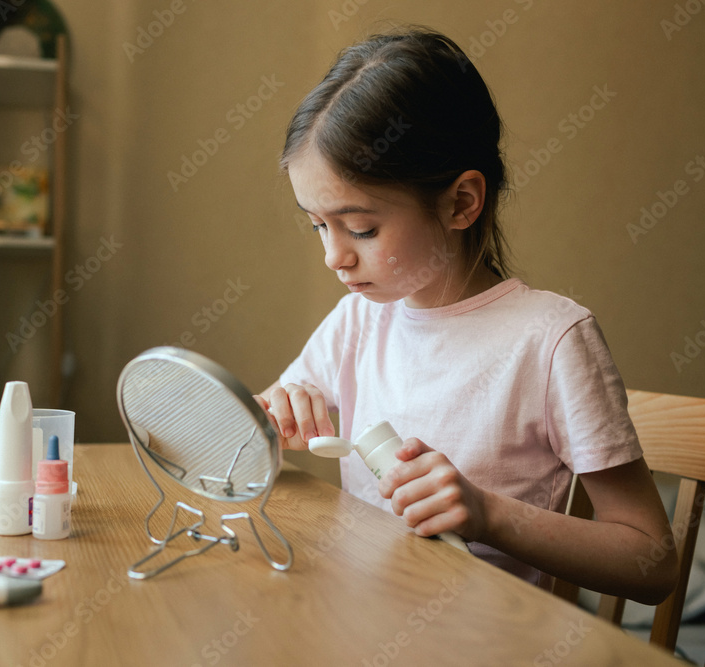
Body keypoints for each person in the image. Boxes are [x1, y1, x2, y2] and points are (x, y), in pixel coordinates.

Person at [253, 27, 678, 605]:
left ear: (461, 202)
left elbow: (650, 563)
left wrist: (489, 516)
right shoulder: (357, 323)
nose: (333, 256)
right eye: (317, 225)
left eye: (361, 228)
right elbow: (248, 439)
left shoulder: (550, 341)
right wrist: (273, 415)